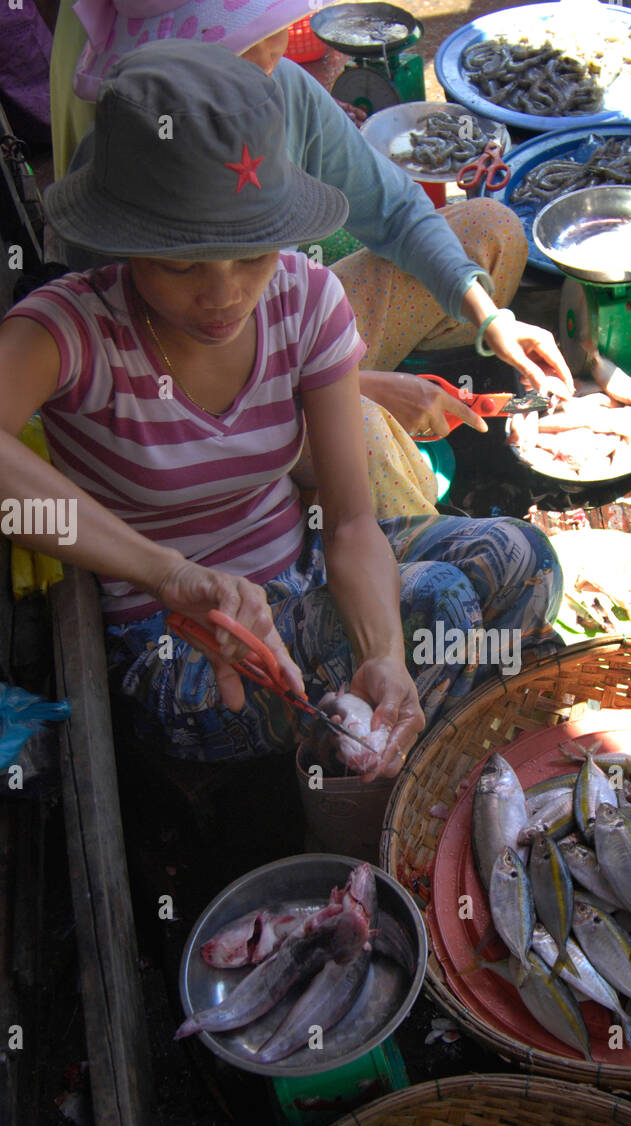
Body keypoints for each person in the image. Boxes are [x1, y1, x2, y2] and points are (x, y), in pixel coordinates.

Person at [0, 44, 562, 776]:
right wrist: (167, 575)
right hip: (178, 648)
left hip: (308, 573)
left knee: (523, 559)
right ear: (126, 242)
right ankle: (397, 777)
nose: (223, 294)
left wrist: (383, 655)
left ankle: (392, 737)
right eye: (181, 264)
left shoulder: (305, 299)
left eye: (252, 254)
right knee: (439, 602)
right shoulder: (73, 329)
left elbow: (351, 522)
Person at [48, 0, 575, 515]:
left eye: (270, 29)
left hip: (295, 344)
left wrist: (490, 317)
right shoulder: (130, 155)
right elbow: (144, 379)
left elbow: (395, 211)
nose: (270, 53)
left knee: (490, 229)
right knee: (363, 432)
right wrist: (344, 391)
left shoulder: (284, 92)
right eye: (240, 44)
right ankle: (398, 540)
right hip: (203, 415)